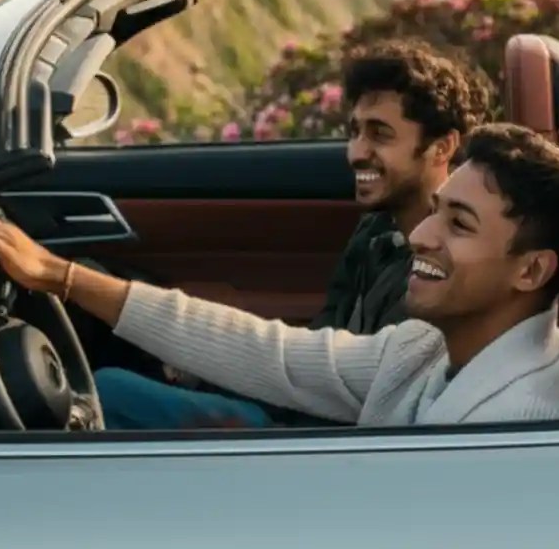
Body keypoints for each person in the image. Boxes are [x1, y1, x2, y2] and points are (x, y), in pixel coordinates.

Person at [0, 123, 559, 427]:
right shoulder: (427, 348)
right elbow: (271, 353)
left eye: (458, 224)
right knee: (113, 395)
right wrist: (61, 276)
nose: (422, 235)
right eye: (435, 211)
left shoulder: (516, 425)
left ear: (531, 269)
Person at [87, 37, 493, 429]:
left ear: (442, 148)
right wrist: (205, 365)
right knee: (122, 345)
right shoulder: (376, 229)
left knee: (110, 392)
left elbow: (364, 396)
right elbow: (320, 342)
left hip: (315, 437)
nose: (355, 153)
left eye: (380, 134)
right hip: (301, 401)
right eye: (354, 132)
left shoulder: (442, 271)